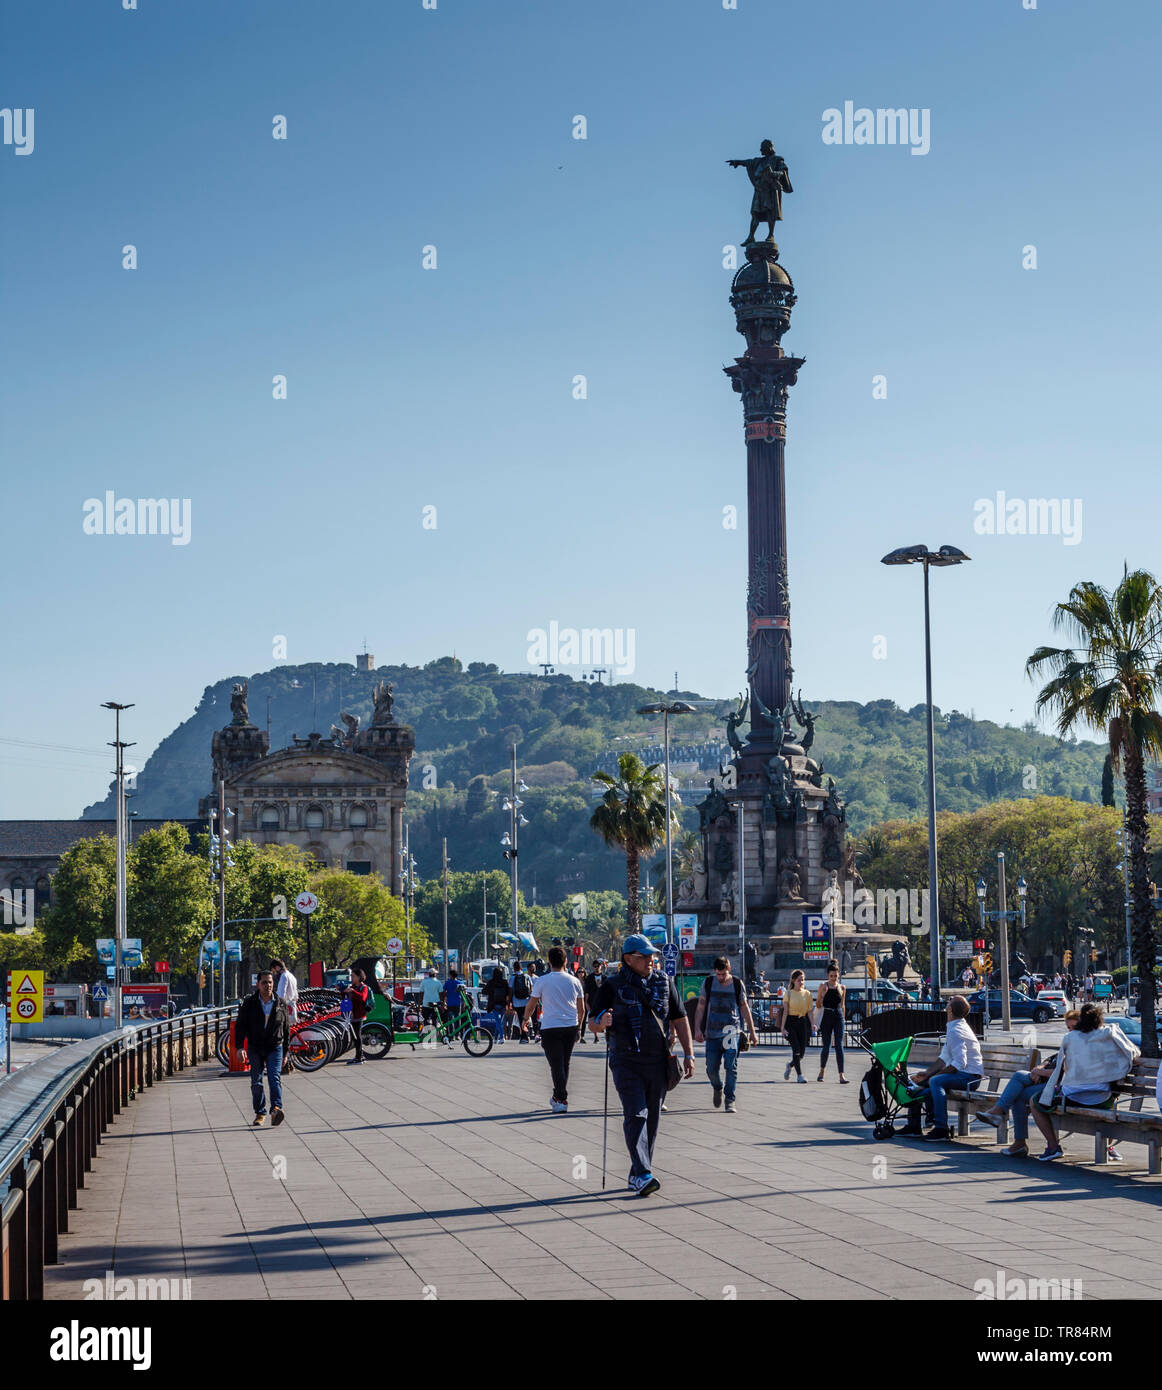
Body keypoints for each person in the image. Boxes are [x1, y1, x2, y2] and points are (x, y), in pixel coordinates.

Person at [588, 934, 695, 1197]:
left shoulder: (664, 982)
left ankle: (638, 1173)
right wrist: (603, 1022)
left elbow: (680, 1019)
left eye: (652, 956)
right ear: (628, 959)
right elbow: (593, 1020)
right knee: (636, 1114)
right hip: (626, 1060)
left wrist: (689, 1054)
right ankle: (644, 1173)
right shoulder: (612, 986)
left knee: (653, 1121)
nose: (650, 960)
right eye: (644, 956)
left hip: (659, 1060)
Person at [1029, 1003, 1139, 1162]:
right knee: (1114, 1100)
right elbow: (1133, 1053)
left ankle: (1053, 1147)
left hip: (1072, 1097)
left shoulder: (1070, 1038)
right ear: (1099, 1020)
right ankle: (1109, 1147)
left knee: (1034, 1102)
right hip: (1101, 1099)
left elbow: (1062, 1066)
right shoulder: (1109, 1032)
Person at [977, 1011, 1093, 1158]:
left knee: (1019, 1082)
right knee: (1018, 1089)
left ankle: (1001, 1116)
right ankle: (1011, 1132)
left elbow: (1064, 1073)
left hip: (1059, 1087)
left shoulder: (1082, 1046)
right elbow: (1052, 1059)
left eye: (1074, 1027)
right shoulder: (1072, 1041)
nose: (1070, 1031)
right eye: (1068, 1028)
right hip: (1047, 1082)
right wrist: (1039, 1068)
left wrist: (1040, 1073)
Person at [899, 996, 983, 1142]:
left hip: (970, 1077)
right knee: (916, 1083)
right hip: (963, 1074)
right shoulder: (955, 1026)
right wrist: (926, 1074)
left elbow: (959, 1063)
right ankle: (913, 1126)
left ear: (950, 1009)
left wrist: (933, 1077)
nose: (947, 1003)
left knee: (936, 1082)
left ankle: (941, 1129)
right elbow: (944, 1058)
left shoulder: (957, 1030)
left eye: (949, 1001)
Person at [693, 956, 757, 1113]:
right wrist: (697, 1029)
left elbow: (744, 1007)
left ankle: (730, 1100)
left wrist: (752, 1031)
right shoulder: (708, 983)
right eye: (718, 974)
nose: (720, 977)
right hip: (712, 1033)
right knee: (711, 1069)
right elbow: (701, 1006)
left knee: (731, 1066)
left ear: (728, 970)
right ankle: (717, 1087)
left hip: (731, 1031)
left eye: (723, 974)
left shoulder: (736, 983)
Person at [526, 946, 586, 1113]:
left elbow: (532, 1004)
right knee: (564, 1063)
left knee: (556, 1064)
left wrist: (525, 1019)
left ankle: (561, 1099)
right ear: (566, 961)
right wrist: (579, 1027)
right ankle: (558, 1097)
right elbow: (581, 1009)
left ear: (549, 962)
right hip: (570, 1027)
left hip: (551, 1027)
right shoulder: (575, 981)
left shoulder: (542, 981)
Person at [235, 971, 290, 1127]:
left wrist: (286, 1052)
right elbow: (240, 1026)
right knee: (256, 1082)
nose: (268, 985)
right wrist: (240, 1047)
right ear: (258, 984)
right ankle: (260, 1113)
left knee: (274, 1079)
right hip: (255, 1047)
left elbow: (286, 1029)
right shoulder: (250, 1003)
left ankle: (276, 1110)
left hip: (275, 1046)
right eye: (265, 982)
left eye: (271, 982)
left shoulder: (280, 1003)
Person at [815, 961, 848, 1083]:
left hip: (838, 1016)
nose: (834, 978)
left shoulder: (842, 987)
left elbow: (843, 1005)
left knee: (839, 1045)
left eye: (835, 976)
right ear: (828, 976)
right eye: (831, 976)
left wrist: (843, 1019)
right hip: (826, 1016)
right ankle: (822, 1071)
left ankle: (841, 1075)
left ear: (838, 976)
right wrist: (822, 995)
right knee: (827, 1046)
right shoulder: (823, 986)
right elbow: (818, 1004)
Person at [779, 969, 813, 1083]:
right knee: (796, 1049)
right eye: (799, 980)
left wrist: (813, 1024)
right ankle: (800, 1075)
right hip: (791, 1023)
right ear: (793, 981)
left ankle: (790, 1065)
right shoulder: (788, 993)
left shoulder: (807, 994)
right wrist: (782, 1028)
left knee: (802, 1053)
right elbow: (785, 1012)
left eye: (803, 979)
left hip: (802, 1022)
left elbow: (809, 1011)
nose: (801, 982)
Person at [344, 967, 373, 1064]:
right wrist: (342, 990)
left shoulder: (363, 987)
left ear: (359, 977)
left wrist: (352, 992)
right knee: (355, 1036)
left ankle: (359, 1057)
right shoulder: (353, 987)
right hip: (352, 1014)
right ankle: (360, 1056)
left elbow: (362, 998)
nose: (351, 977)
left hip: (359, 1015)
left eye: (353, 976)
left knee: (357, 1036)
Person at [483, 966, 510, 1044]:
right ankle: (495, 1038)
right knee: (499, 1022)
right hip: (503, 1004)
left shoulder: (491, 982)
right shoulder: (505, 982)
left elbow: (484, 991)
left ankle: (502, 1037)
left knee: (498, 1022)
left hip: (494, 1004)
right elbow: (508, 993)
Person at [510, 962, 533, 1041]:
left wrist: (510, 1001)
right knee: (526, 1018)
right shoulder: (527, 976)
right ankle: (527, 1034)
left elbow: (510, 990)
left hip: (517, 1002)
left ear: (514, 968)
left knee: (520, 1019)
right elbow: (531, 988)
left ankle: (524, 1036)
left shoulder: (513, 977)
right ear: (521, 968)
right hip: (526, 1001)